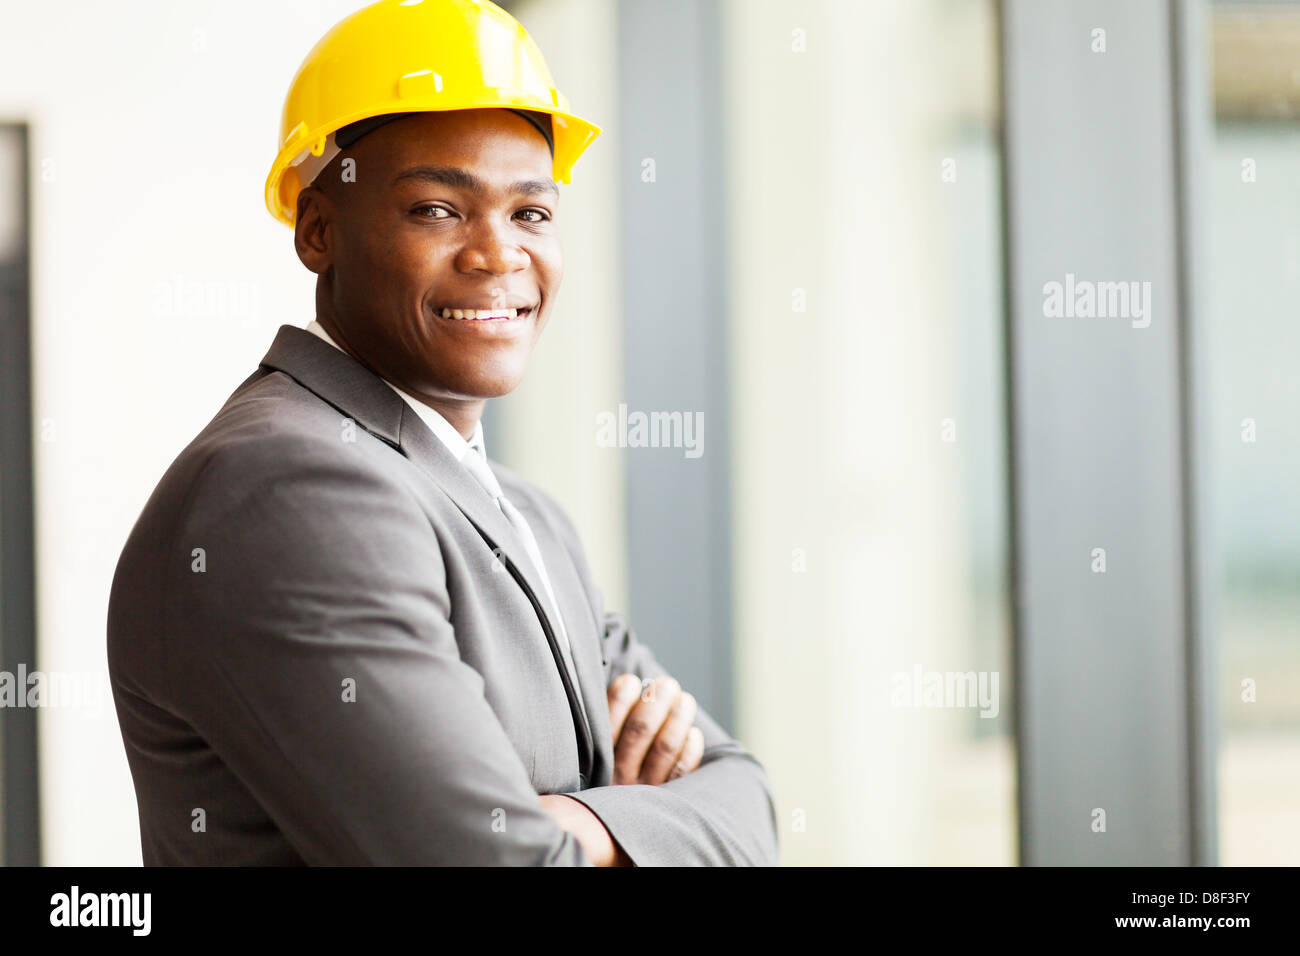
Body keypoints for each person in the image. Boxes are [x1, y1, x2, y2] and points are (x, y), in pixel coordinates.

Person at [107, 0, 778, 866]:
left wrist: (584, 826)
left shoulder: (533, 521)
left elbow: (748, 798)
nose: (498, 255)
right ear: (319, 230)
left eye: (531, 214)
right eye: (436, 209)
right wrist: (627, 824)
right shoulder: (287, 487)